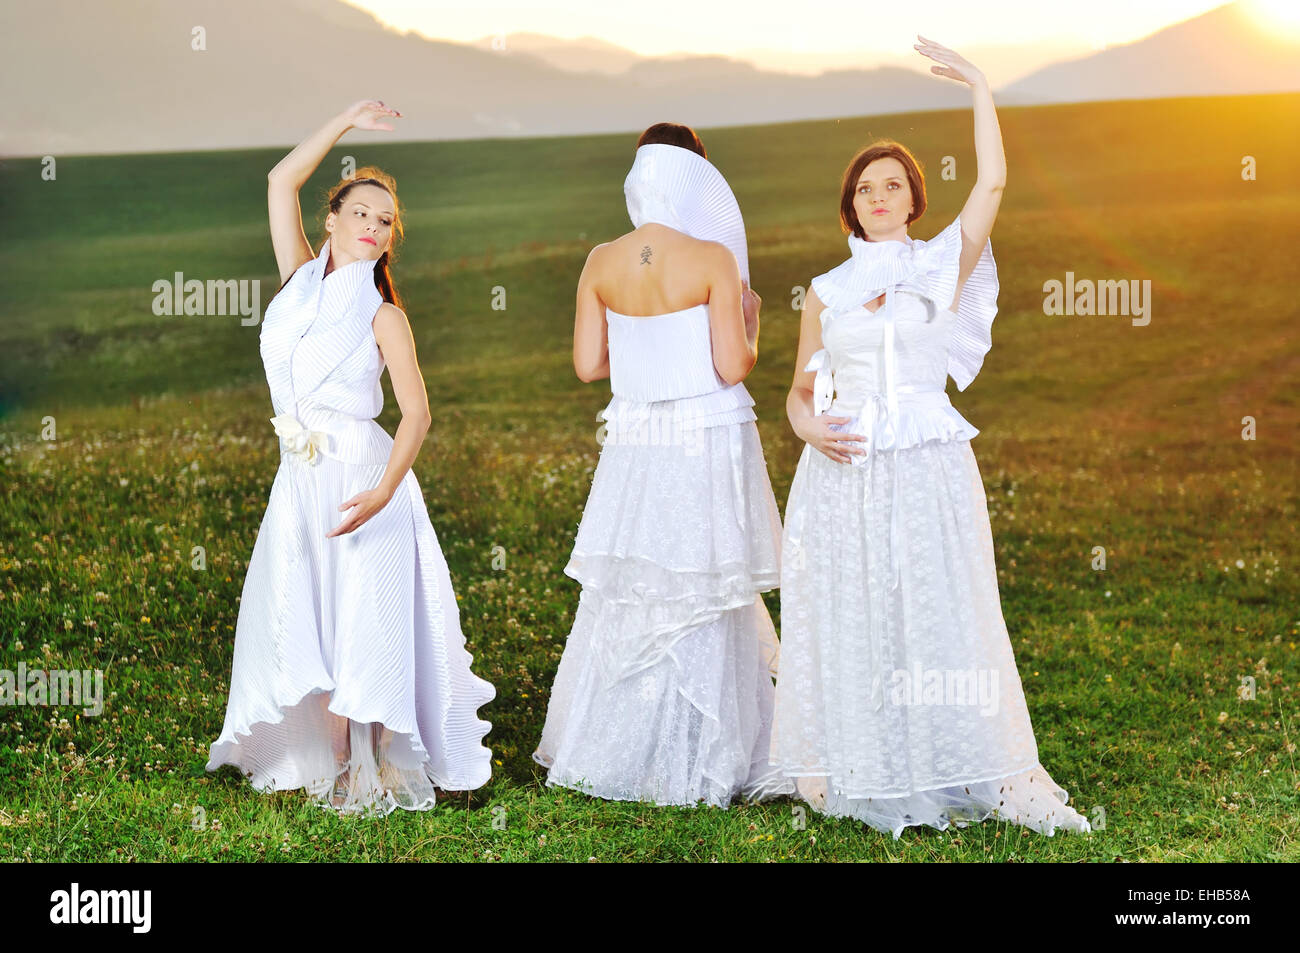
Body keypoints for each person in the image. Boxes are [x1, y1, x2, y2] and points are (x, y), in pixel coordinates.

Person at [770, 38, 1092, 837]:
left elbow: (993, 181)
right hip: (842, 473)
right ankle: (864, 758)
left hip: (928, 463)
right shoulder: (827, 290)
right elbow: (799, 391)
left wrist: (981, 85)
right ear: (850, 205)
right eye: (864, 188)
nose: (879, 196)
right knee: (858, 610)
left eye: (893, 185)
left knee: (941, 605)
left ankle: (959, 756)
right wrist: (810, 429)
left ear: (914, 200)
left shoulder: (943, 262)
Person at [206, 100, 495, 816]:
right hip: (300, 477)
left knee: (364, 618)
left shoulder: (383, 314)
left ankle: (367, 760)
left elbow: (418, 414)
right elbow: (280, 180)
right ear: (331, 220)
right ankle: (325, 755)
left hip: (365, 476)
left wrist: (385, 492)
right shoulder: (299, 281)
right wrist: (346, 118)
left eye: (385, 220)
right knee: (308, 613)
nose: (373, 225)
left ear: (392, 240)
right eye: (361, 212)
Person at [533, 123, 794, 807]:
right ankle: (704, 755)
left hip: (636, 441)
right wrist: (753, 323)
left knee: (636, 587)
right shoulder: (711, 257)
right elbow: (732, 364)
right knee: (705, 579)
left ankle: (611, 753)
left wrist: (647, 351)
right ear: (696, 179)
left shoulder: (601, 259)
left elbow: (590, 364)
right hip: (704, 434)